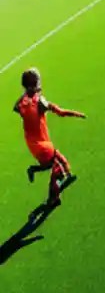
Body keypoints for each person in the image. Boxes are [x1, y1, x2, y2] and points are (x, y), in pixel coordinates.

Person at [14, 68, 85, 208]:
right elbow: (60, 112)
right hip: (42, 144)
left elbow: (18, 109)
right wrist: (77, 114)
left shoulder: (21, 103)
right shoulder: (40, 101)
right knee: (55, 167)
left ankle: (66, 173)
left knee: (57, 157)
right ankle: (53, 198)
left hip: (32, 143)